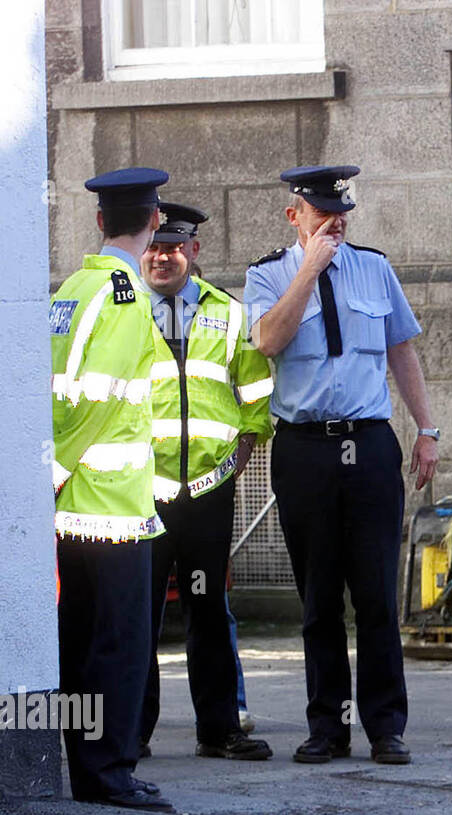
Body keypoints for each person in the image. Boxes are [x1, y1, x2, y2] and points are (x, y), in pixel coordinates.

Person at [244, 165, 439, 766]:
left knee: (376, 592)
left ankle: (386, 727)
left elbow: (400, 348)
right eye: (321, 211)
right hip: (305, 447)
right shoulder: (266, 274)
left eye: (342, 211)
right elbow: (268, 341)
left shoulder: (375, 269)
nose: (335, 220)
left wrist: (426, 428)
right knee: (319, 596)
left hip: (369, 443)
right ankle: (327, 726)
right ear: (294, 216)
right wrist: (308, 271)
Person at [50, 167, 174, 811]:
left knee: (80, 644)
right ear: (154, 223)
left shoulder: (74, 288)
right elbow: (99, 399)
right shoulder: (127, 296)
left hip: (75, 509)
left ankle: (88, 766)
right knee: (121, 648)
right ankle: (109, 774)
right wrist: (57, 469)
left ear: (99, 222)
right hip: (115, 505)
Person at [137, 202, 274, 762]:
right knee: (137, 612)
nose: (162, 256)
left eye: (173, 247)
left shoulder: (230, 313)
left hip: (207, 492)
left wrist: (242, 450)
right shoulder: (120, 312)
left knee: (207, 609)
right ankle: (129, 733)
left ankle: (218, 730)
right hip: (138, 492)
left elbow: (256, 391)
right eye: (153, 245)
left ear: (194, 251)